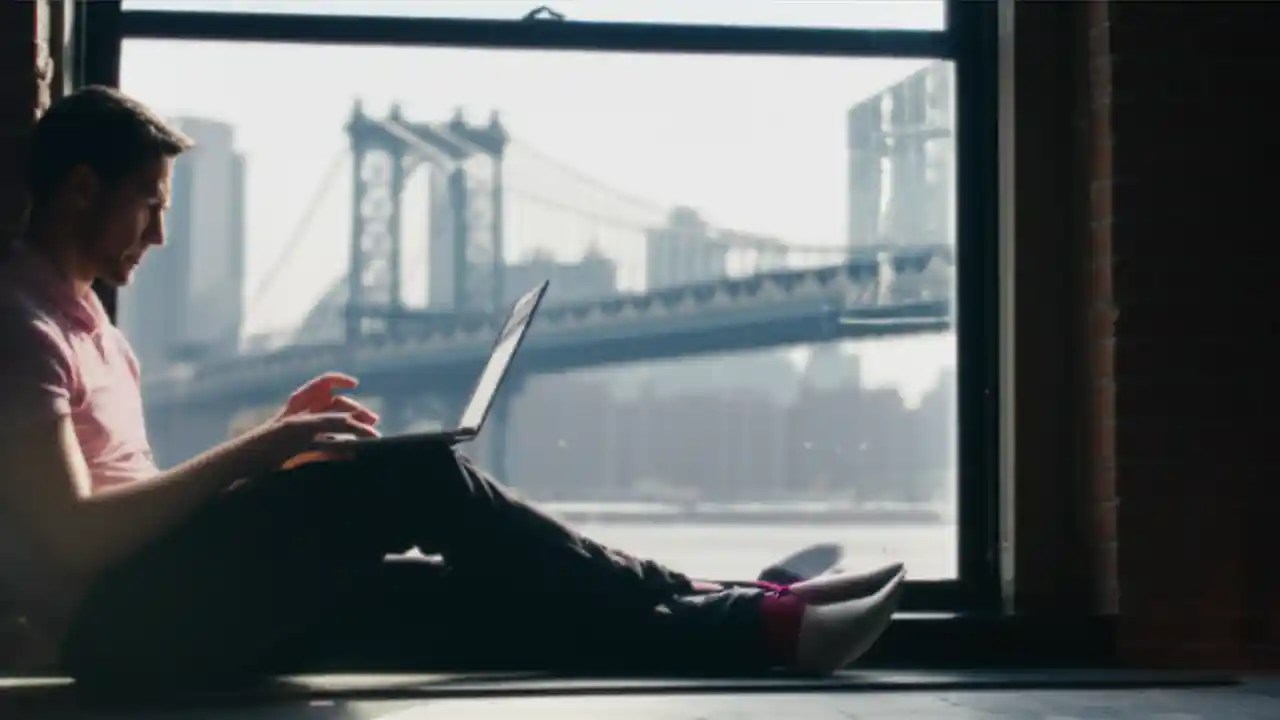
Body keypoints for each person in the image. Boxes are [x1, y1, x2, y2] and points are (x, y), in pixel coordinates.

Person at [0, 86, 906, 690]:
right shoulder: (22, 324)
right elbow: (79, 538)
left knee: (465, 600)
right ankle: (735, 604)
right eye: (150, 203)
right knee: (417, 477)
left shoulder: (91, 324)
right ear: (83, 189)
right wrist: (263, 454)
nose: (157, 234)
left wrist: (272, 453)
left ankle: (748, 629)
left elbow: (128, 504)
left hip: (158, 612)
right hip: (121, 637)